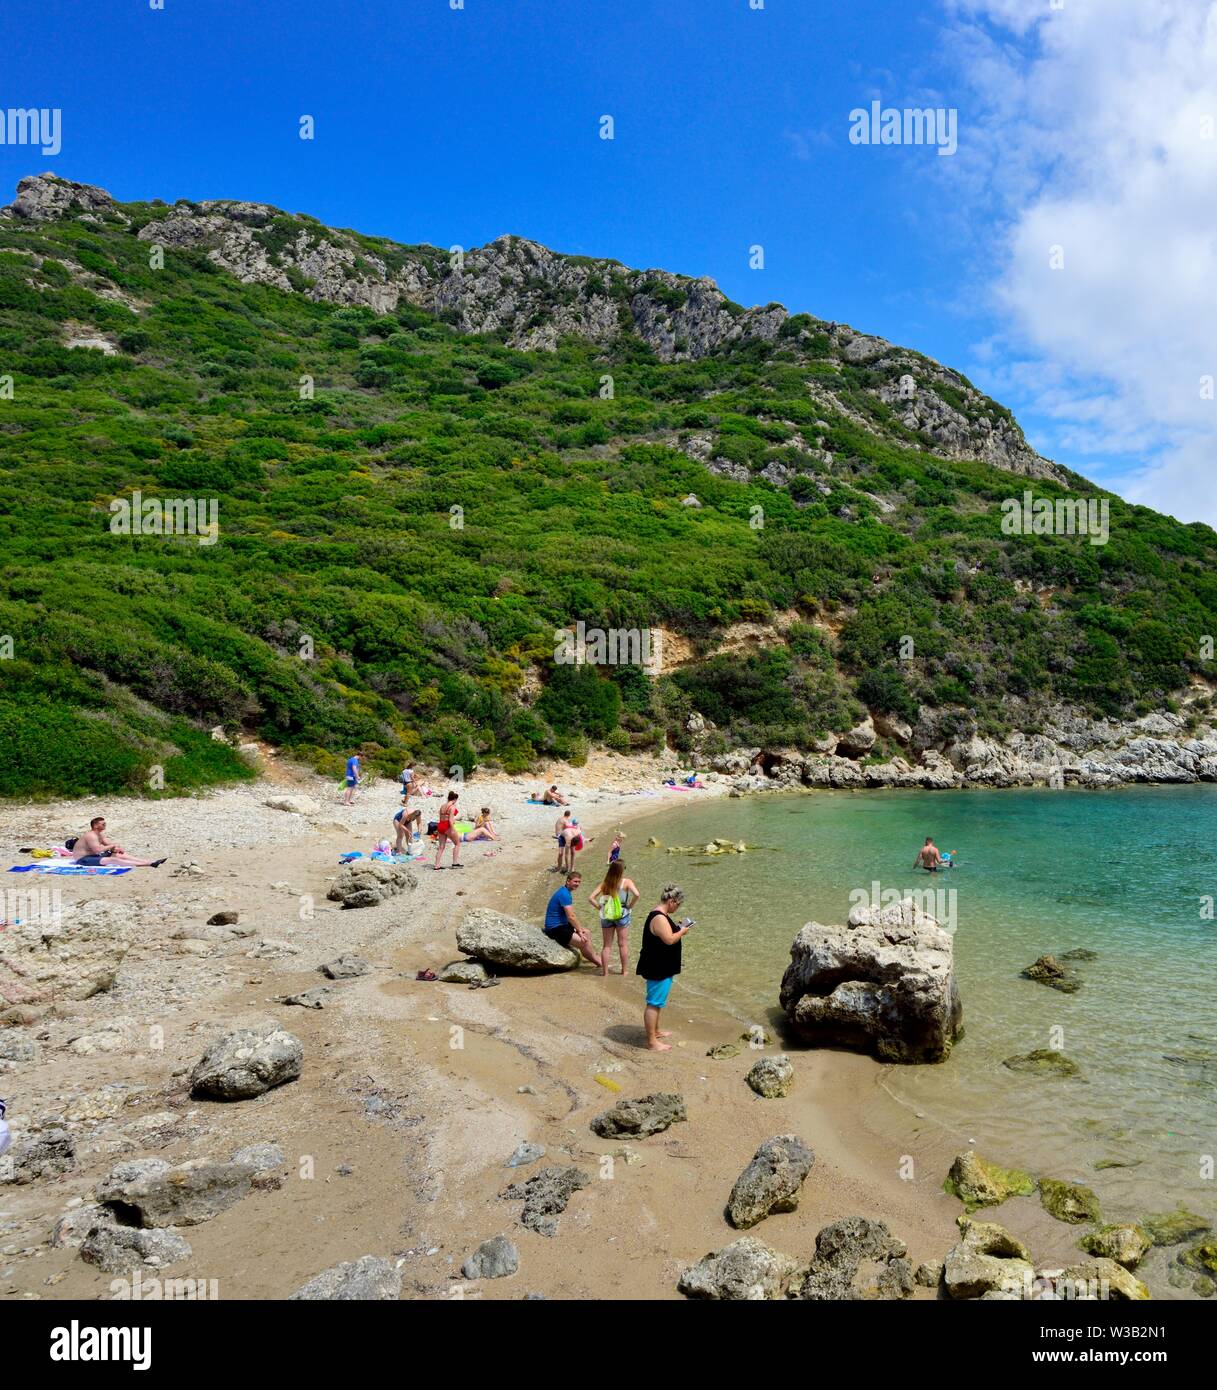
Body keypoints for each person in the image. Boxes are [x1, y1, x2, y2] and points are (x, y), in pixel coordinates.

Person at [637, 885, 692, 1052]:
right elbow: (669, 939)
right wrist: (682, 931)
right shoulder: (659, 917)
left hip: (661, 965)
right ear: (671, 901)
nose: (678, 908)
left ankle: (655, 1031)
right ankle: (652, 1042)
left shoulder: (662, 915)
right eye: (678, 904)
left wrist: (679, 927)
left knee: (658, 1002)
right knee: (653, 1003)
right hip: (658, 967)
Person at [589, 859, 639, 977]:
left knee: (607, 946)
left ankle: (605, 973)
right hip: (622, 914)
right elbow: (637, 894)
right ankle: (624, 972)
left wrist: (600, 908)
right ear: (622, 870)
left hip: (607, 915)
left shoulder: (605, 883)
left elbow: (590, 898)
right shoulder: (626, 882)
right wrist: (629, 906)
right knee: (623, 944)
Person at [543, 871, 602, 965]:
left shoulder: (564, 891)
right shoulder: (564, 894)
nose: (577, 884)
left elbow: (569, 917)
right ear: (568, 881)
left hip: (562, 925)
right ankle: (599, 962)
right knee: (584, 941)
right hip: (555, 929)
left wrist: (580, 930)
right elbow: (571, 917)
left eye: (579, 882)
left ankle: (592, 955)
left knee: (587, 932)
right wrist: (579, 931)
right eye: (575, 881)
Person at [68, 817, 164, 868]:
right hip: (83, 859)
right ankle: (149, 864)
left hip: (93, 856)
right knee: (113, 860)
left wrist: (116, 848)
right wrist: (112, 846)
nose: (105, 824)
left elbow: (108, 844)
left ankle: (150, 861)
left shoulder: (100, 835)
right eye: (103, 823)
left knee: (119, 855)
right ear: (95, 825)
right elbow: (97, 850)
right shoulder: (91, 835)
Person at [433, 790, 463, 870]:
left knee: (441, 847)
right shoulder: (452, 807)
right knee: (457, 843)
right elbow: (450, 820)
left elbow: (440, 818)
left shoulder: (442, 806)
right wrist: (452, 829)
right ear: (455, 799)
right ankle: (455, 863)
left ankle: (437, 865)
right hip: (447, 826)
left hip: (440, 825)